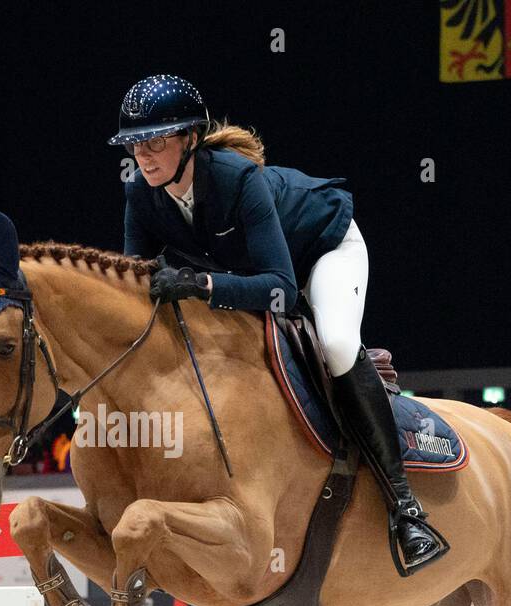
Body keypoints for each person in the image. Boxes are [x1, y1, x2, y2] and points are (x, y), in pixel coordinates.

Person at [109, 74, 447, 575]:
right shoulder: (142, 193)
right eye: (136, 145)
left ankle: (406, 511)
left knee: (333, 343)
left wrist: (201, 286)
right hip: (250, 269)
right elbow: (138, 285)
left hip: (323, 251)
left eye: (156, 142)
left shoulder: (235, 178)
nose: (144, 156)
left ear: (191, 140)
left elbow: (282, 289)